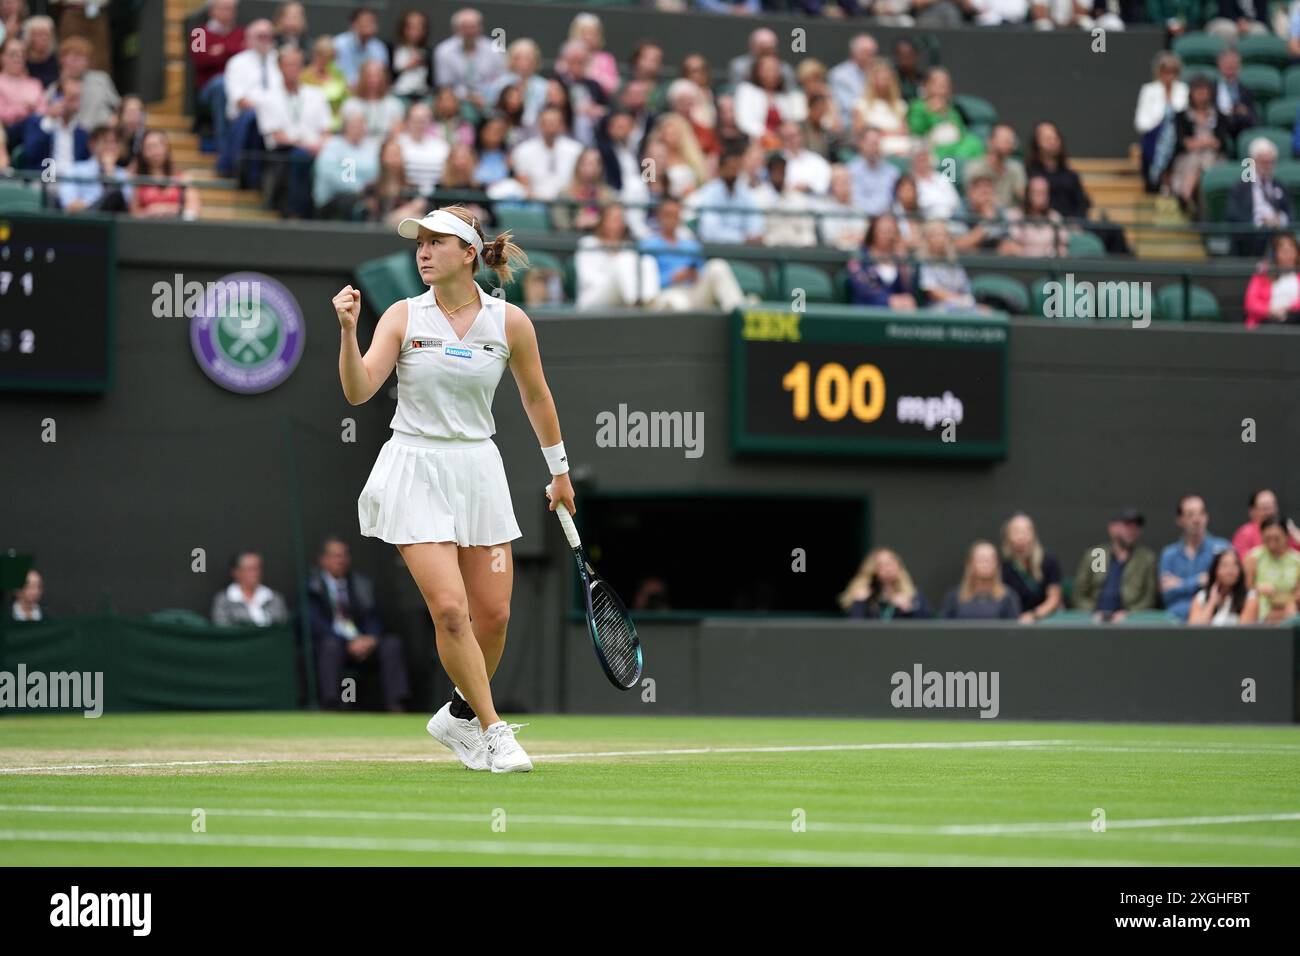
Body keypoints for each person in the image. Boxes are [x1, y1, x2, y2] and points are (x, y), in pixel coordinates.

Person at [334, 203, 574, 773]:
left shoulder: (510, 322)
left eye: (437, 242)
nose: (422, 250)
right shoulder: (400, 314)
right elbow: (359, 389)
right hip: (414, 468)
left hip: (478, 472)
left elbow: (536, 397)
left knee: (493, 616)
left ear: (469, 253)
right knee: (449, 609)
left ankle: (459, 716)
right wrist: (348, 332)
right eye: (419, 242)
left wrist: (559, 472)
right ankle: (493, 731)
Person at [307, 535, 411, 712]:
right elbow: (314, 623)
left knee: (391, 644)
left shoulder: (361, 584)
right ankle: (332, 706)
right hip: (335, 643)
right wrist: (346, 642)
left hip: (363, 641)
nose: (340, 560)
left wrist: (370, 638)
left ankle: (396, 705)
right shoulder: (312, 587)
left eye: (344, 555)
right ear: (323, 559)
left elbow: (373, 616)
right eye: (335, 556)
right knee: (330, 647)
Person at [640, 196, 746, 312]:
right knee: (678, 302)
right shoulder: (648, 245)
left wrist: (694, 274)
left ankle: (740, 315)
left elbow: (701, 271)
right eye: (667, 215)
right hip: (666, 294)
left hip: (693, 291)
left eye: (675, 215)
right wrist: (672, 278)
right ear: (659, 216)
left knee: (717, 266)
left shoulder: (691, 245)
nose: (671, 219)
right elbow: (646, 287)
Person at [1072, 508, 1158, 622]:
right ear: (1112, 528)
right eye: (1127, 525)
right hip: (1095, 615)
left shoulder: (1145, 558)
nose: (1132, 530)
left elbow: (1149, 597)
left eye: (1136, 526)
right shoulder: (1098, 554)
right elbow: (1079, 594)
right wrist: (1093, 610)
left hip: (1130, 617)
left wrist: (1130, 613)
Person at [1158, 494, 1231, 622]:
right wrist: (1198, 581)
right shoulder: (1169, 554)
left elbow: (1225, 588)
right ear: (1180, 520)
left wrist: (1180, 583)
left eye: (1201, 513)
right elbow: (1167, 594)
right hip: (1176, 621)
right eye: (1190, 515)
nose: (1197, 520)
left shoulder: (1222, 548)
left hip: (1212, 620)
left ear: (1207, 517)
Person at [574, 202, 659, 309]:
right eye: (614, 219)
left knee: (647, 260)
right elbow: (588, 279)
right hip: (592, 298)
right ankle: (636, 305)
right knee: (624, 260)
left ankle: (649, 303)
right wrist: (616, 270)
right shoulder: (588, 243)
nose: (618, 224)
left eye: (621, 219)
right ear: (603, 221)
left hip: (620, 298)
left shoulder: (627, 246)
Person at [1226, 138, 1292, 258]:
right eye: (1263, 162)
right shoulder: (1240, 188)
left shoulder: (1280, 186)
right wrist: (1260, 222)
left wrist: (1280, 219)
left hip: (1277, 237)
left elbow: (1291, 214)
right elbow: (1233, 216)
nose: (1267, 166)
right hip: (1250, 239)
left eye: (1270, 162)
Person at [433, 7, 504, 110]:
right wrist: (469, 97)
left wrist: (487, 97)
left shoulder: (495, 49)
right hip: (457, 101)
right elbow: (445, 85)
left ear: (480, 27)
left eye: (473, 27)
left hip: (490, 99)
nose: (470, 32)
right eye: (465, 28)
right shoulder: (443, 51)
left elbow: (501, 79)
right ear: (456, 29)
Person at [1135, 51, 1187, 194]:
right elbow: (1140, 122)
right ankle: (1158, 179)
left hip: (1178, 134)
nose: (1169, 75)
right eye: (1165, 71)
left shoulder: (1183, 89)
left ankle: (1166, 180)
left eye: (1173, 71)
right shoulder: (1149, 90)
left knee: (1173, 136)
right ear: (1159, 72)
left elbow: (1184, 117)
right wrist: (1161, 122)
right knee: (1158, 138)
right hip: (1155, 134)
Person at [1000, 512, 1062, 623]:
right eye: (1016, 531)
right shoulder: (1003, 566)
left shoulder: (1049, 561)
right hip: (1013, 622)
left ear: (1033, 533)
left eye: (1025, 531)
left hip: (1045, 619)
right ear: (1008, 536)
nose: (1021, 536)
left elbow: (1054, 598)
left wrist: (1034, 615)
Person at [845, 212, 916, 309]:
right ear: (873, 232)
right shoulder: (859, 256)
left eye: (891, 231)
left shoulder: (899, 258)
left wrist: (903, 264)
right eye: (884, 231)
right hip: (867, 310)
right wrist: (888, 300)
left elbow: (907, 290)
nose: (888, 235)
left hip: (897, 311)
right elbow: (860, 288)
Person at [839, 547, 932, 620]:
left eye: (891, 563)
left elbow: (926, 624)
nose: (888, 569)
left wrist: (908, 609)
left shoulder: (912, 595)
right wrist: (859, 604)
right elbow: (853, 629)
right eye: (882, 565)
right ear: (873, 569)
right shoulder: (863, 596)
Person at [939, 541, 1022, 620]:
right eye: (981, 559)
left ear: (996, 564)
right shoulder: (954, 597)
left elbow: (1014, 631)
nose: (986, 563)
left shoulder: (1008, 597)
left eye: (990, 559)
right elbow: (942, 630)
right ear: (970, 564)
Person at [131, 128, 200, 219]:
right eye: (148, 148)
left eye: (157, 146)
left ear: (166, 147)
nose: (154, 152)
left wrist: (174, 210)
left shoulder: (183, 177)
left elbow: (194, 208)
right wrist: (150, 211)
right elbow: (134, 213)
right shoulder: (138, 180)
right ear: (143, 152)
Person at [58, 122, 126, 211]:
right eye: (106, 142)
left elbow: (126, 206)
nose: (111, 147)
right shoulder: (75, 170)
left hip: (115, 221)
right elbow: (70, 205)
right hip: (87, 220)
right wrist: (93, 203)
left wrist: (110, 172)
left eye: (114, 142)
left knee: (115, 194)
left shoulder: (122, 174)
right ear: (92, 145)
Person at [211, 551, 290, 626]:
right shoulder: (224, 601)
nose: (255, 573)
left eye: (257, 568)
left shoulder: (274, 598)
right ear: (236, 572)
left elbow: (283, 629)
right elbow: (223, 630)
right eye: (250, 569)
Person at [1245, 515, 1300, 622]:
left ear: (1286, 536)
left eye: (1277, 539)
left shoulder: (1297, 560)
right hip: (1259, 611)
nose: (1272, 544)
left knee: (1291, 611)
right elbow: (1245, 587)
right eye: (1267, 538)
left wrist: (1285, 600)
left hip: (1289, 609)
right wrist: (1257, 588)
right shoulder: (1253, 557)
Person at [1187, 548, 1259, 625]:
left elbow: (1244, 633)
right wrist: (1211, 603)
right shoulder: (1201, 597)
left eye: (1235, 565)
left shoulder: (1250, 597)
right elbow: (1195, 632)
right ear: (1215, 570)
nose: (1230, 570)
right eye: (1224, 565)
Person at [1245, 231, 1300, 327]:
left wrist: (1287, 309)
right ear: (1275, 254)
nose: (1287, 255)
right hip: (1266, 322)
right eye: (1283, 251)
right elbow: (1251, 304)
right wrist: (1271, 311)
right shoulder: (1262, 274)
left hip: (1294, 321)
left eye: (1291, 251)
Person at [1232, 488, 1300, 558]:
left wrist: (1294, 532)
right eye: (1265, 508)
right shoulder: (1245, 533)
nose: (1270, 512)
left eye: (1272, 507)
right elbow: (1242, 560)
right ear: (1252, 511)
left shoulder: (1287, 530)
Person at [331, 6, 387, 88]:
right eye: (366, 21)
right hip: (341, 90)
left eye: (373, 22)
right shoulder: (338, 44)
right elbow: (330, 73)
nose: (370, 25)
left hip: (369, 93)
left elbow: (382, 77)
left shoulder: (379, 48)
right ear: (354, 24)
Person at [388, 8, 431, 101]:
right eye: (410, 27)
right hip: (398, 94)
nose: (415, 31)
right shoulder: (392, 49)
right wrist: (407, 66)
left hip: (423, 96)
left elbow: (431, 81)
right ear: (403, 28)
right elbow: (387, 78)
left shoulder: (428, 52)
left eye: (419, 27)